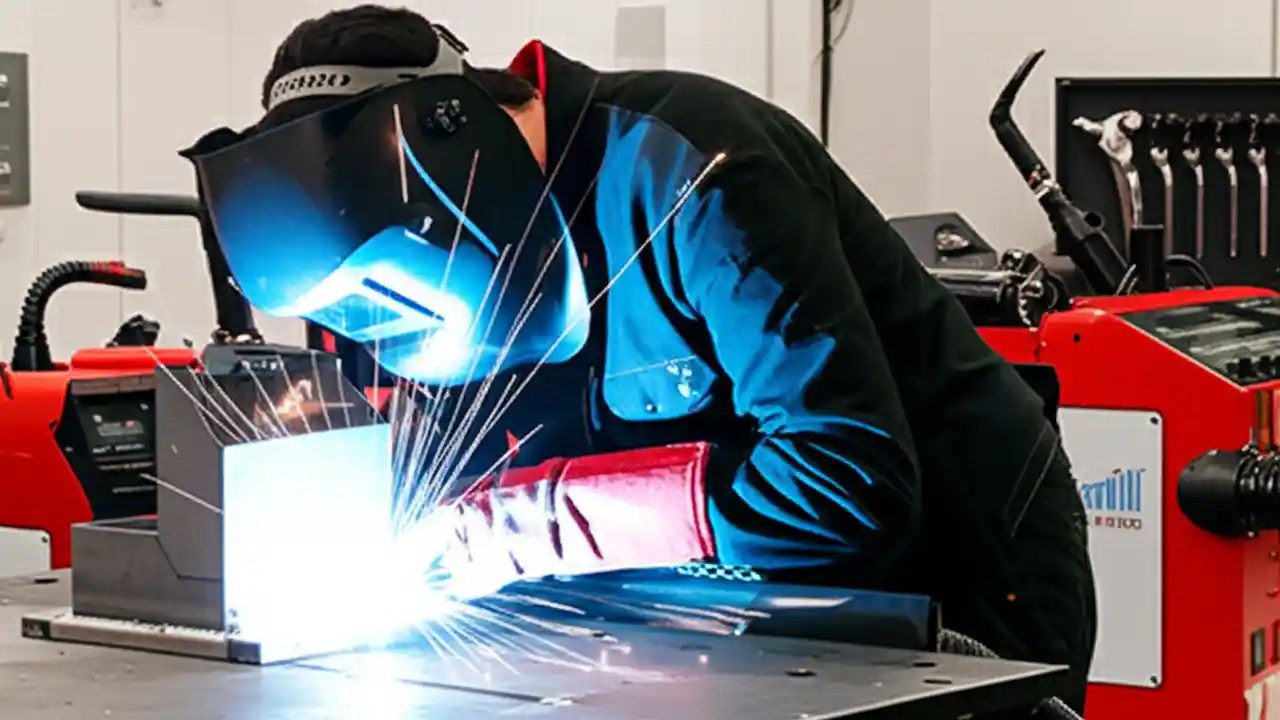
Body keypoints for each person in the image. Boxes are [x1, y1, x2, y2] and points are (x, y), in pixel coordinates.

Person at [184, 5, 1095, 712]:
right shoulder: (424, 245)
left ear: (451, 151)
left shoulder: (692, 167)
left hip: (964, 560)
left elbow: (847, 488)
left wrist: (518, 529)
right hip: (740, 611)